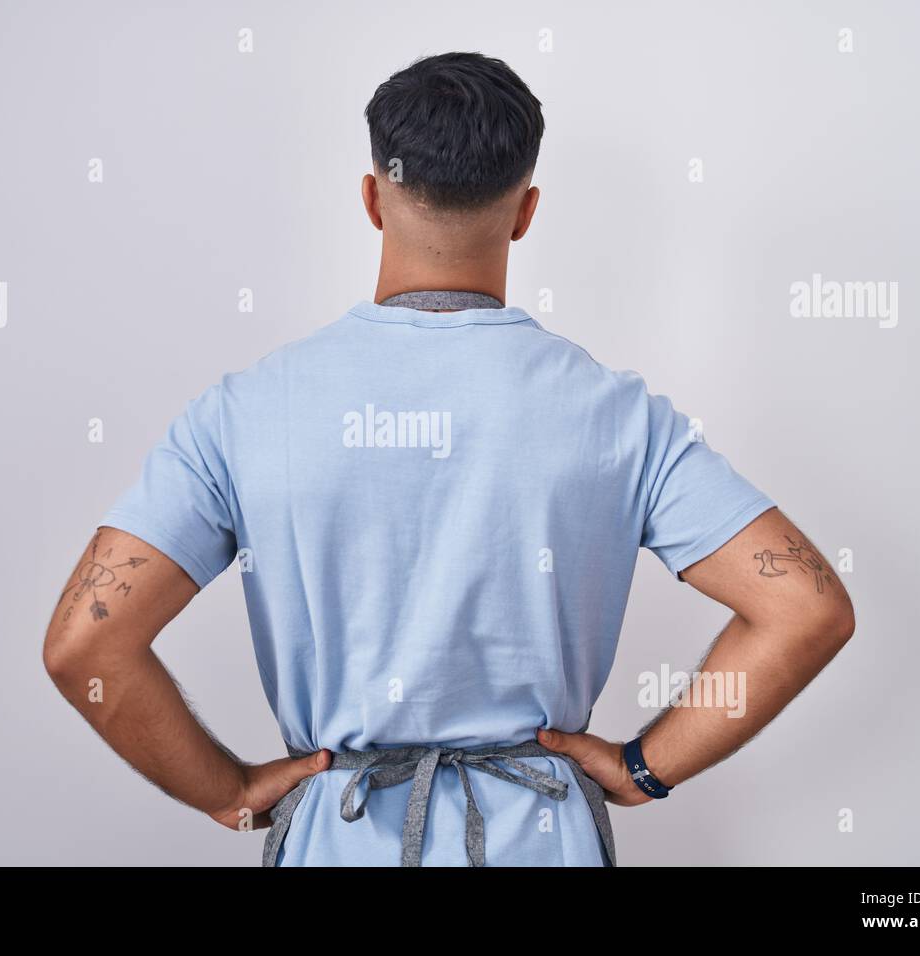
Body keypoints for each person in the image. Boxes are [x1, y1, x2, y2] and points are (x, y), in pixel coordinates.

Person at [42, 52, 855, 867]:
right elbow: (804, 608)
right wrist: (645, 767)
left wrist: (229, 791)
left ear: (373, 198)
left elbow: (86, 645)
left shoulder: (246, 411)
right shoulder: (617, 416)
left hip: (336, 841)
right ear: (526, 211)